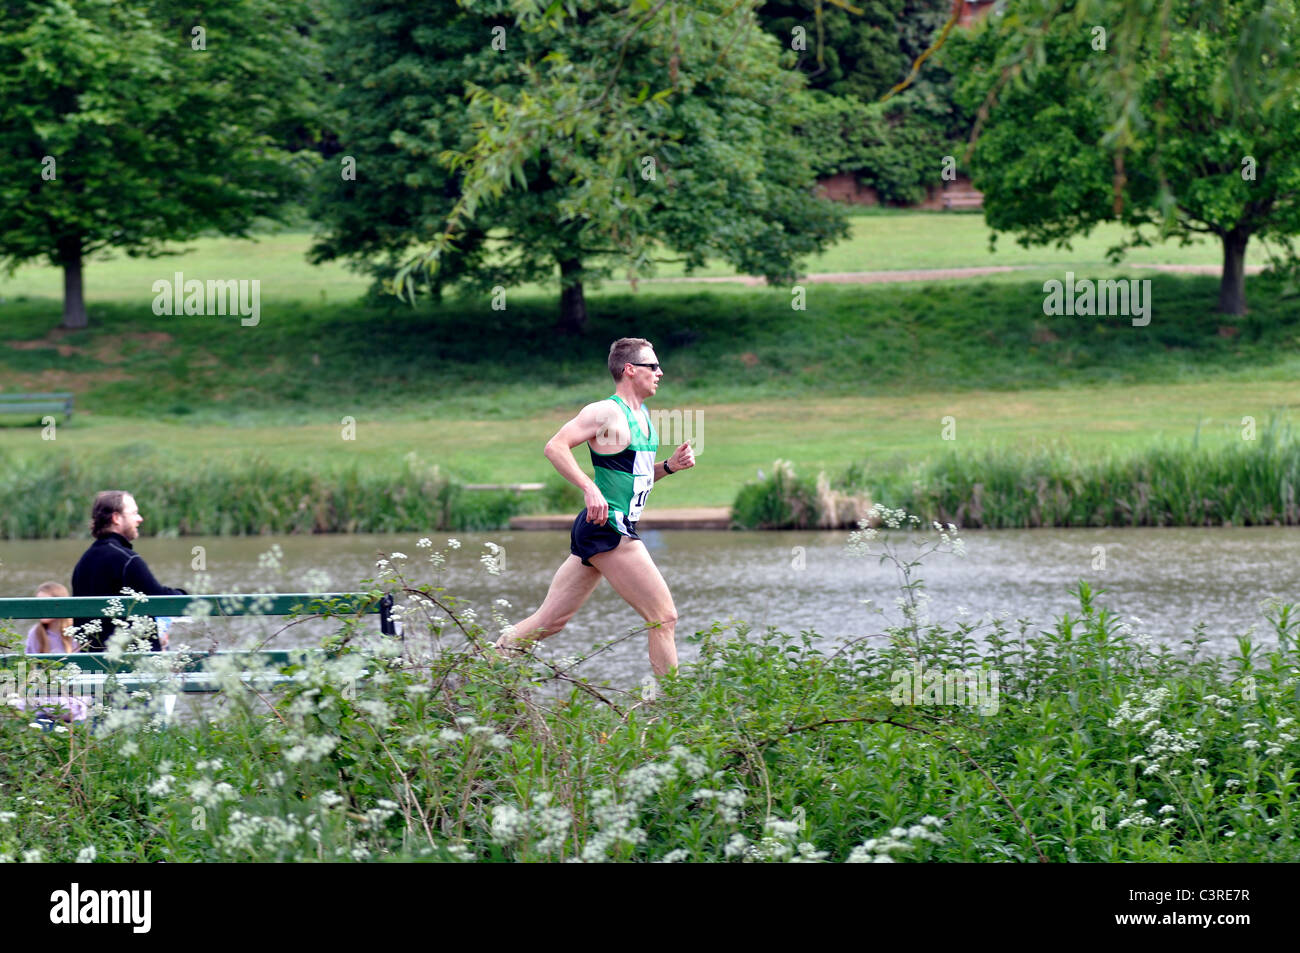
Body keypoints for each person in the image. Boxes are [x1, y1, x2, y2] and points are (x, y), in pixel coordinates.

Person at [494, 337, 695, 677]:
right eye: (653, 366)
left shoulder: (642, 416)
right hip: (608, 527)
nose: (660, 372)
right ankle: (675, 711)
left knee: (551, 621)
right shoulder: (604, 412)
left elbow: (636, 478)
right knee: (664, 618)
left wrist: (670, 466)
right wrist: (588, 487)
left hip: (603, 526)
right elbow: (555, 447)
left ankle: (485, 668)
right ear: (630, 370)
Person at [70, 490, 188, 652]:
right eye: (134, 513)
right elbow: (160, 599)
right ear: (116, 518)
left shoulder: (83, 561)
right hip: (128, 662)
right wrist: (183, 595)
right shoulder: (127, 560)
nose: (140, 519)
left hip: (92, 661)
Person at [24, 581, 78, 654]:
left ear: (60, 605)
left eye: (46, 604)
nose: (41, 608)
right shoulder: (35, 633)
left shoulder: (76, 631)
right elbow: (23, 661)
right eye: (38, 603)